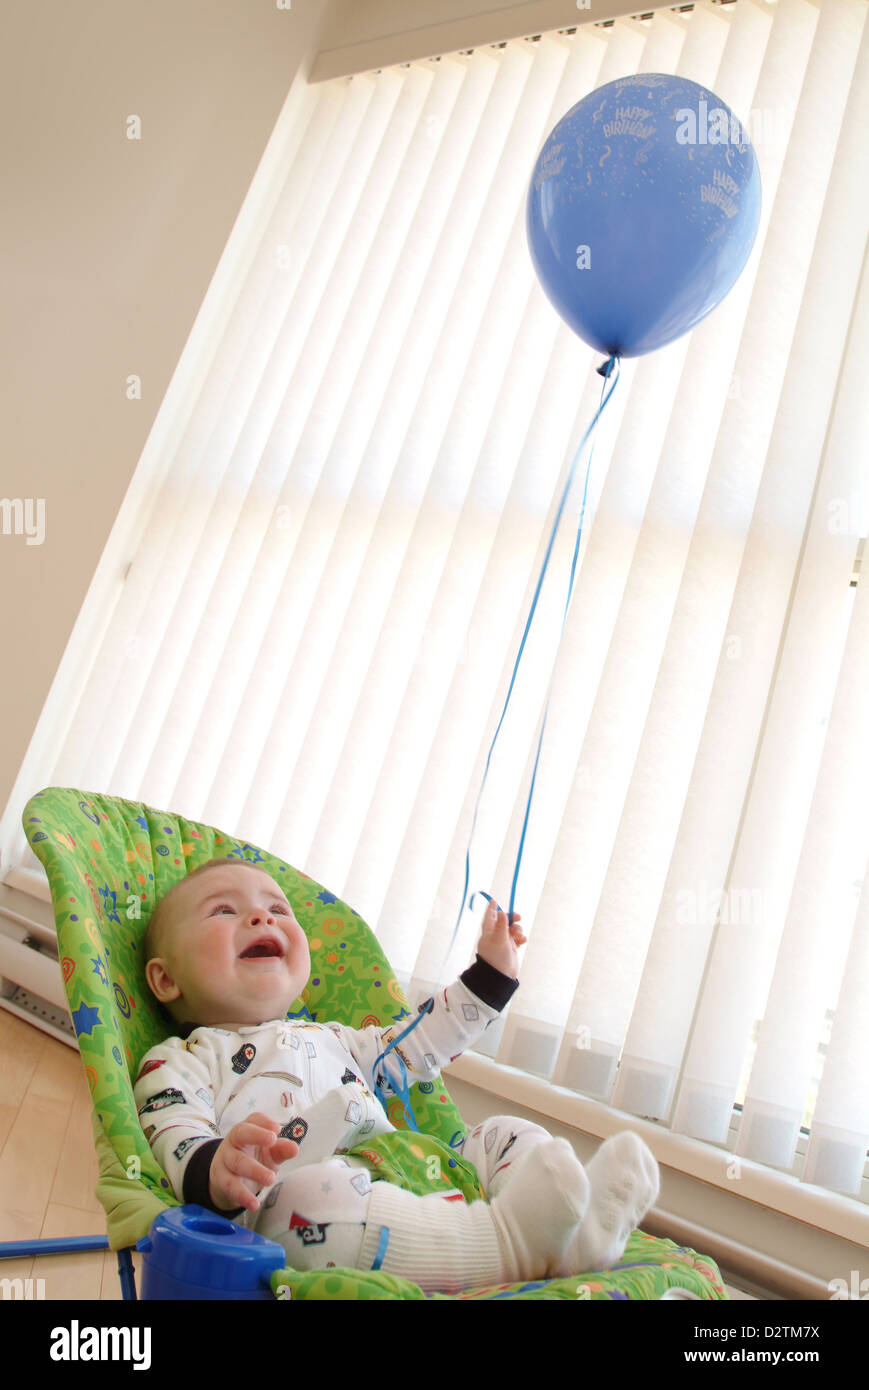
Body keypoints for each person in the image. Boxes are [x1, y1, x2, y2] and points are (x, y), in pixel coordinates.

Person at [135, 857, 659, 1293]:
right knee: (305, 1210)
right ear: (165, 979)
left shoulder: (339, 1039)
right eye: (225, 911)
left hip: (422, 1177)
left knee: (502, 1133)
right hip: (306, 1204)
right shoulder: (180, 1059)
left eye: (277, 909)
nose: (262, 919)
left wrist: (492, 975)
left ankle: (574, 1236)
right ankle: (512, 1244)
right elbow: (175, 1133)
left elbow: (424, 1042)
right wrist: (218, 1169)